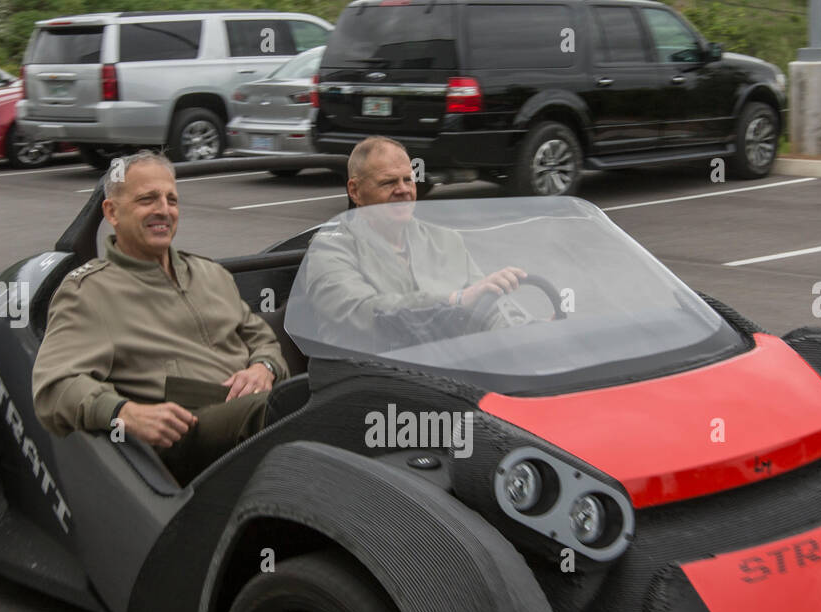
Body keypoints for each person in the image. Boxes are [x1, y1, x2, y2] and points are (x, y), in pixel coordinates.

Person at [32, 150, 287, 485]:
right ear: (112, 212)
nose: (163, 210)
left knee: (329, 396)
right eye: (147, 199)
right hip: (184, 431)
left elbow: (261, 337)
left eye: (171, 200)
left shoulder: (210, 274)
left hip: (252, 410)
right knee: (288, 409)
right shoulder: (89, 293)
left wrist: (264, 367)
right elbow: (54, 389)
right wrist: (123, 412)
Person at [303, 136, 529, 349]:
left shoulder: (446, 240)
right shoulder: (331, 247)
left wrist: (527, 333)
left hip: (450, 367)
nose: (403, 190)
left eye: (408, 180)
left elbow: (487, 305)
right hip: (368, 375)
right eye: (388, 182)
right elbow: (361, 313)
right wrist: (453, 301)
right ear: (355, 191)